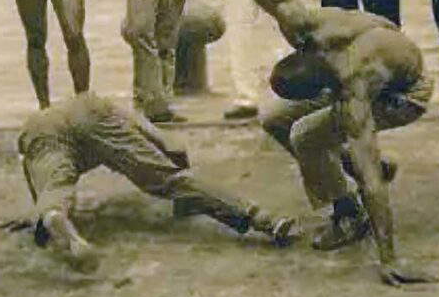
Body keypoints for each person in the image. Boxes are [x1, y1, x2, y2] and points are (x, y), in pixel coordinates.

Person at [191, 0, 438, 287]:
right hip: (367, 67)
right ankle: (342, 164)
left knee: (306, 136)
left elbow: (372, 183)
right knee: (274, 117)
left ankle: (349, 215)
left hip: (404, 94)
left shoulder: (355, 85)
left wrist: (390, 257)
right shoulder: (302, 25)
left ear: (326, 90)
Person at [18, 91, 297, 273]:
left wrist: (41, 211)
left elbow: (34, 172)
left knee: (54, 191)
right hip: (91, 111)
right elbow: (167, 143)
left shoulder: (35, 136)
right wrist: (182, 189)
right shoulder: (103, 106)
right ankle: (262, 218)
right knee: (171, 180)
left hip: (41, 132)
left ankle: (53, 214)